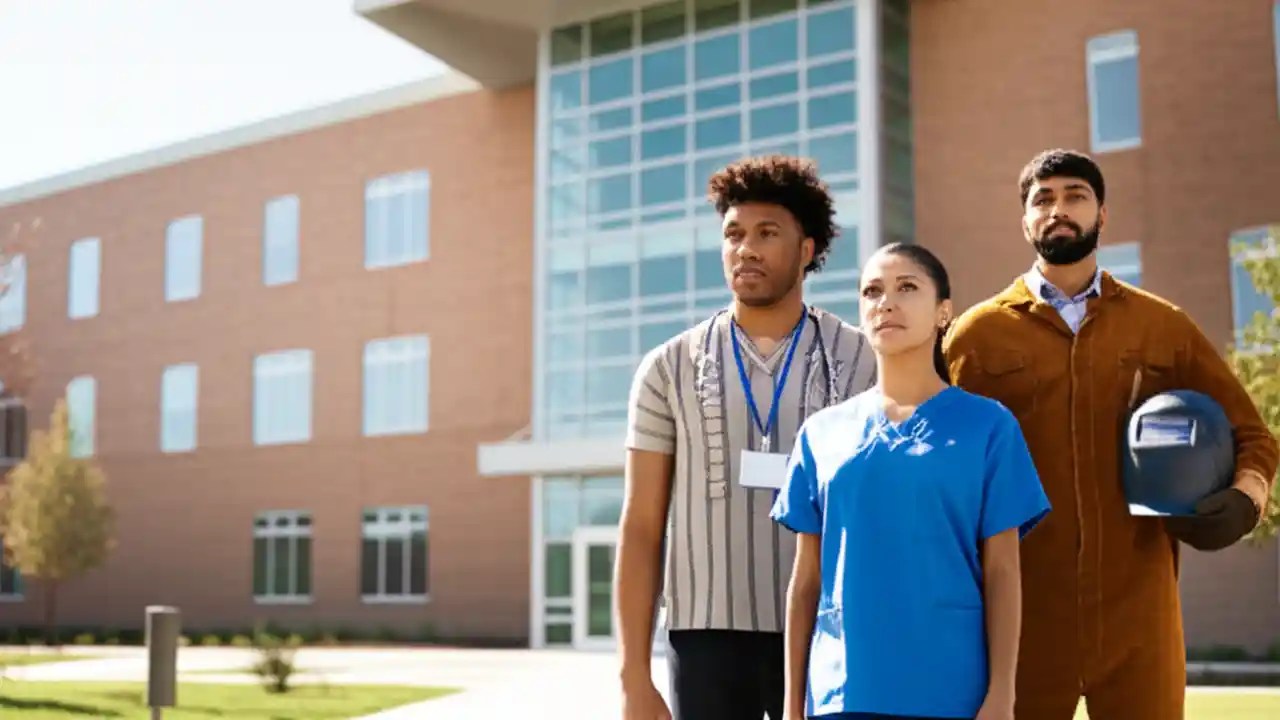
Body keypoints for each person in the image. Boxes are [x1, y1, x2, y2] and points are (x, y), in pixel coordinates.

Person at [943, 148, 1279, 720]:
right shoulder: (975, 337)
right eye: (1042, 199)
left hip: (1138, 614)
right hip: (1019, 617)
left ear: (1103, 214)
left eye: (1075, 195)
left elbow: (1254, 435)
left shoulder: (1162, 326)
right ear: (1024, 221)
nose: (1059, 209)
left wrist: (1246, 497)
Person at [616, 155, 877, 720]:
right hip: (704, 638)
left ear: (806, 250)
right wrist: (633, 675)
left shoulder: (862, 359)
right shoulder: (666, 367)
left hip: (833, 628)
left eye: (767, 233)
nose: (746, 248)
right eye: (733, 234)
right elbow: (640, 527)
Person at [771, 242, 1051, 720]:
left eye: (907, 288)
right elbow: (806, 582)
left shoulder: (989, 427)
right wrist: (793, 705)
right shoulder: (821, 433)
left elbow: (1003, 572)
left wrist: (1002, 692)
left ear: (944, 312)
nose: (886, 302)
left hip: (950, 692)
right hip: (843, 691)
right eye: (872, 291)